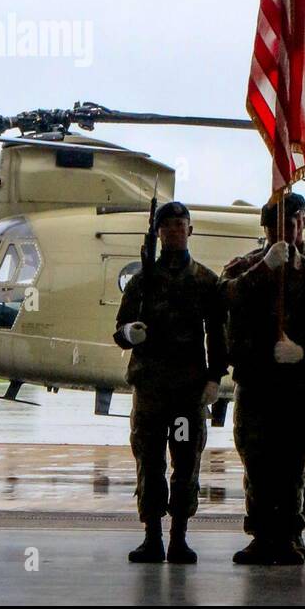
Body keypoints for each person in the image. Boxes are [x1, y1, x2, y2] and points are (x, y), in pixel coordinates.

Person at [221, 192, 305, 549]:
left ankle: (292, 532)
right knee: (257, 458)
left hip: (300, 382)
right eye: (278, 224)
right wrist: (264, 270)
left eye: (294, 222)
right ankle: (262, 534)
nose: (288, 230)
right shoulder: (244, 267)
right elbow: (223, 299)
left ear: (304, 223)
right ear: (264, 227)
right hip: (256, 381)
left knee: (299, 460)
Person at [113, 201, 227, 565]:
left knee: (185, 462)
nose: (175, 230)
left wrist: (214, 377)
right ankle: (152, 537)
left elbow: (218, 336)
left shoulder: (206, 281)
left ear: (190, 231)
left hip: (187, 392)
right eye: (168, 225)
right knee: (149, 461)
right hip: (151, 390)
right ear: (159, 233)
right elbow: (120, 329)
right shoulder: (142, 280)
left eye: (181, 224)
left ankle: (179, 536)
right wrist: (131, 333)